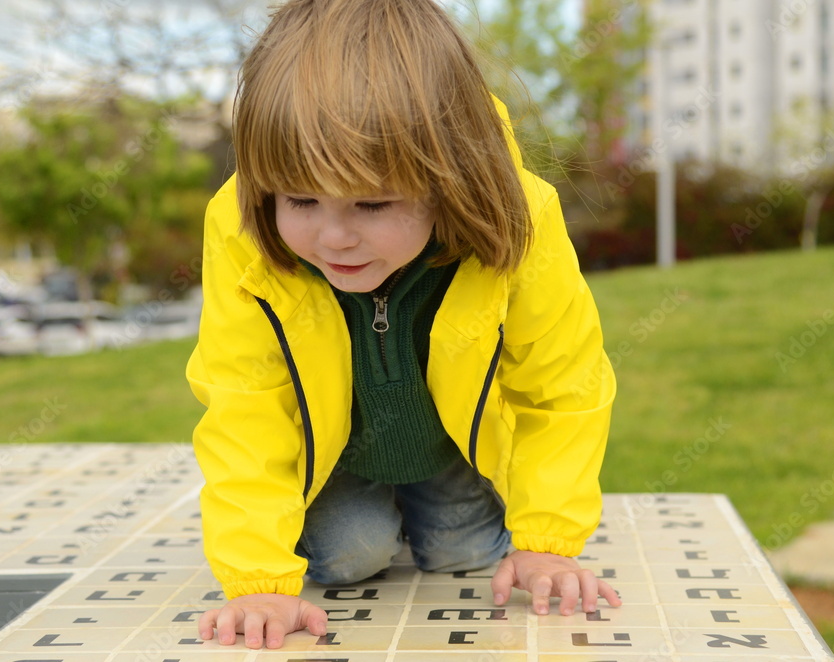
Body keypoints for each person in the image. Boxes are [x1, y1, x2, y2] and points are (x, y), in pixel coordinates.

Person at [186, 0, 620, 650]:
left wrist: (547, 541)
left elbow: (563, 387)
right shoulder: (241, 226)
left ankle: (439, 500)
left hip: (446, 445)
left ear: (450, 179)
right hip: (333, 452)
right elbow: (244, 404)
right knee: (349, 558)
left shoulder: (522, 220)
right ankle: (352, 507)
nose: (334, 236)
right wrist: (258, 579)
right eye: (300, 199)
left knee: (467, 554)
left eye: (371, 202)